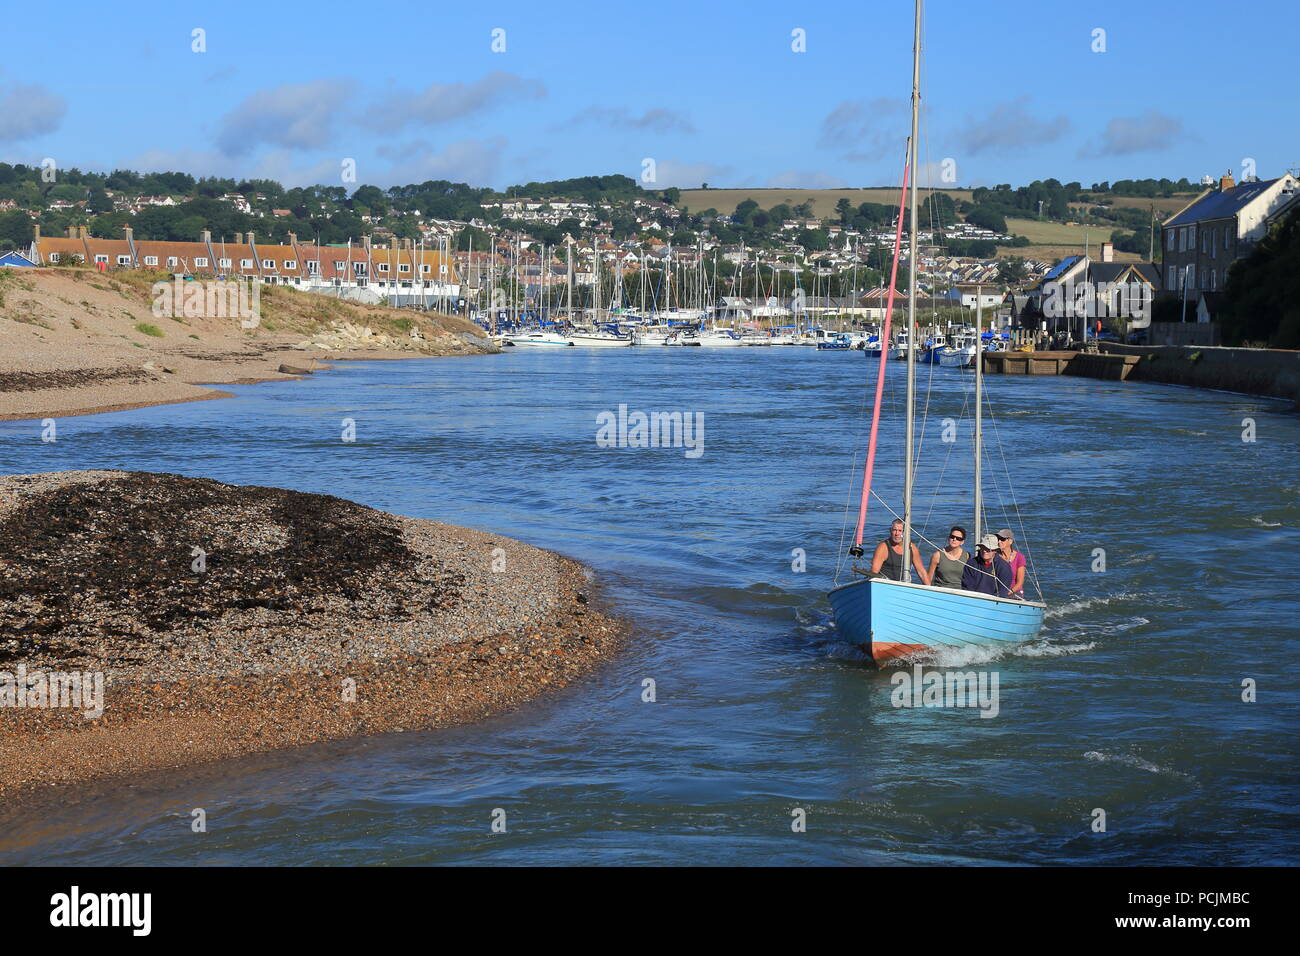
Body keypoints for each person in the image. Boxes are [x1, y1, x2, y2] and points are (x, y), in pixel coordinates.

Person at [870, 518, 930, 584]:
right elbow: (874, 573)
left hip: (903, 586)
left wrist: (930, 590)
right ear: (890, 531)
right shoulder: (883, 548)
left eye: (900, 531)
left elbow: (921, 572)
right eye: (894, 530)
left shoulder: (911, 548)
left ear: (905, 532)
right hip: (885, 585)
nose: (897, 534)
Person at [995, 528, 1027, 600]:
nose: (999, 541)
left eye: (1002, 539)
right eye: (998, 539)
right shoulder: (994, 555)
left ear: (1010, 541)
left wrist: (1007, 593)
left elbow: (1020, 582)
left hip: (1014, 593)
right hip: (997, 593)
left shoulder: (1019, 557)